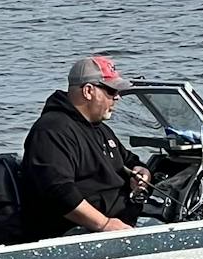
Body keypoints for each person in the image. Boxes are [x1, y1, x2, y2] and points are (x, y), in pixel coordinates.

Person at [18, 55, 149, 239]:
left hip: (124, 219)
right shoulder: (52, 130)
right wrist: (104, 224)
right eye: (111, 91)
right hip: (78, 233)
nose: (117, 97)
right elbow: (58, 192)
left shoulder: (100, 129)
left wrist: (141, 171)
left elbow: (129, 161)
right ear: (88, 91)